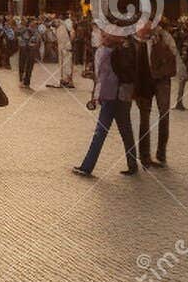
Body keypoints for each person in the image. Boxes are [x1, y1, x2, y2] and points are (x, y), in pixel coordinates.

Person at [72, 31, 138, 178]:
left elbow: (103, 78)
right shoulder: (122, 49)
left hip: (111, 97)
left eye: (105, 35)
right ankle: (133, 165)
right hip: (122, 96)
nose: (102, 37)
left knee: (100, 133)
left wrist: (97, 96)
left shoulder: (108, 53)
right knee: (126, 131)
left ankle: (87, 167)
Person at [136, 22, 176, 168]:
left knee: (164, 115)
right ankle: (145, 156)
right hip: (144, 84)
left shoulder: (164, 37)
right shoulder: (136, 42)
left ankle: (161, 152)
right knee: (144, 120)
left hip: (162, 81)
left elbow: (173, 56)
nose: (142, 29)